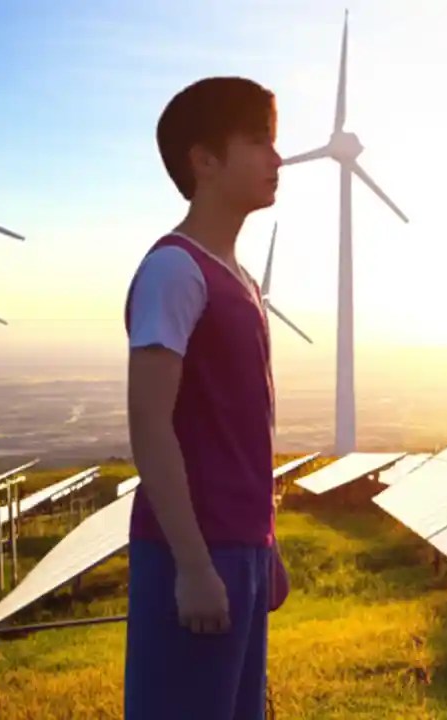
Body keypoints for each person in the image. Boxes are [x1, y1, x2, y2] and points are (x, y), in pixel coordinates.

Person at [122, 76, 284, 720]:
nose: (278, 159)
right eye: (260, 142)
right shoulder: (174, 270)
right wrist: (192, 566)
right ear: (205, 160)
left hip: (238, 550)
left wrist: (265, 546)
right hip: (192, 552)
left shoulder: (238, 279)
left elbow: (240, 431)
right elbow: (150, 424)